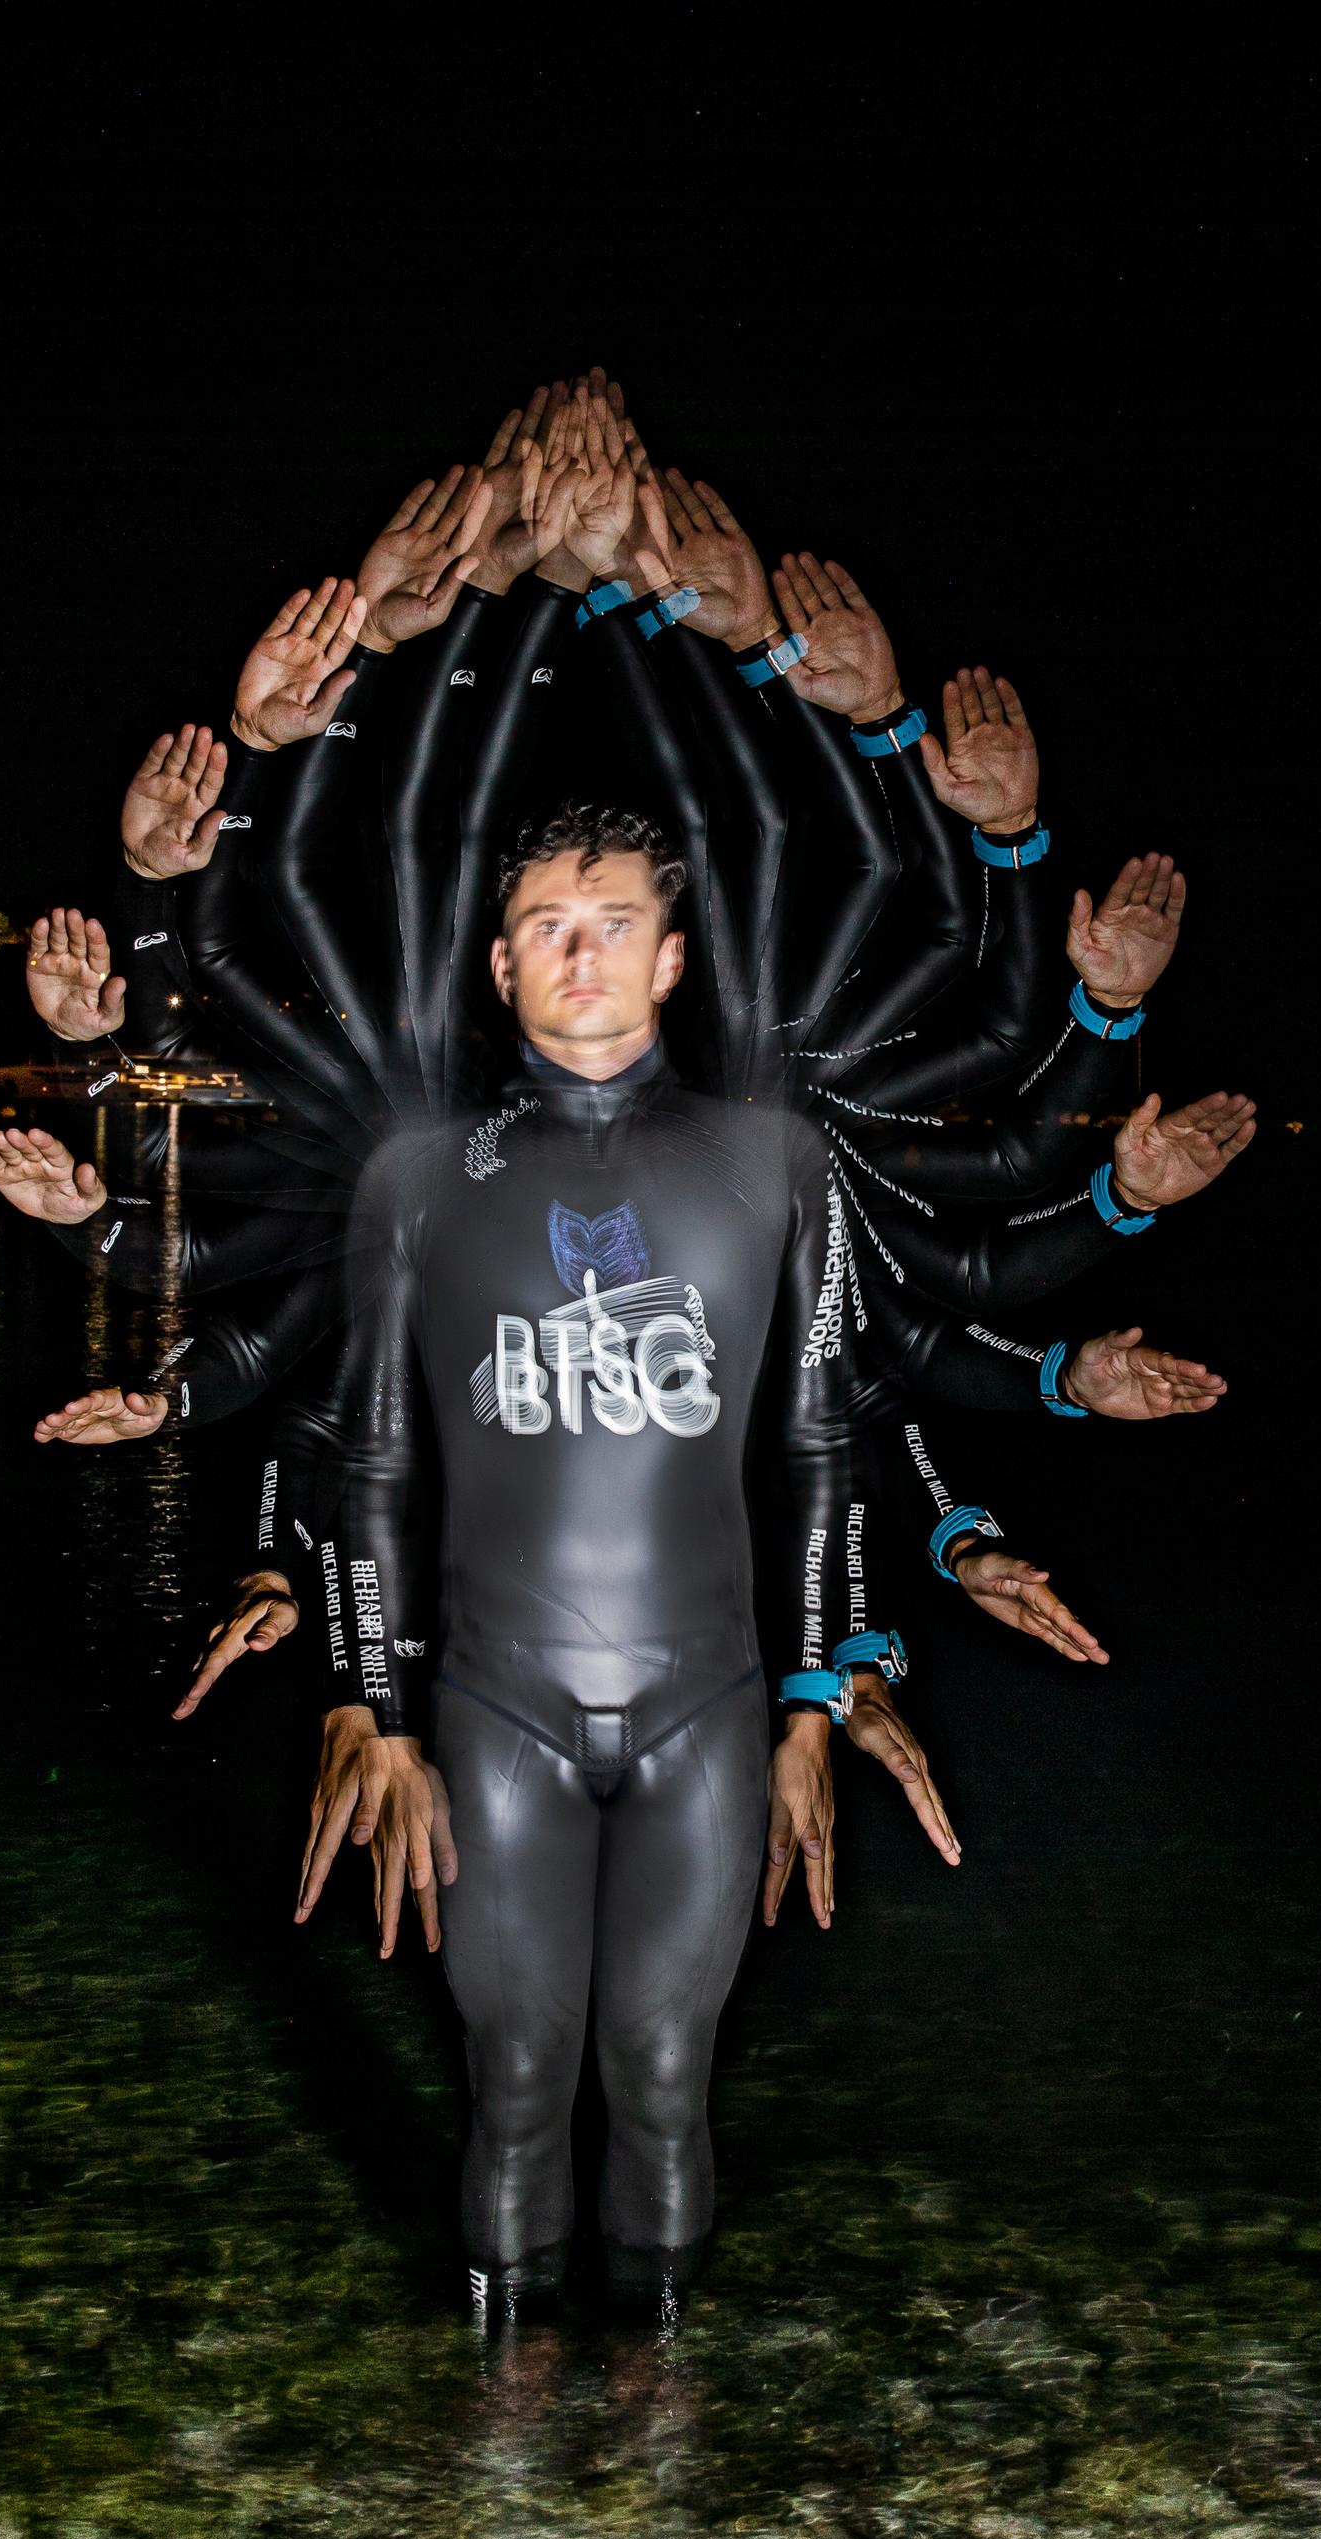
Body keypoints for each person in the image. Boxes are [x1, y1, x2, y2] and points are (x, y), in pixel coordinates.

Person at [292, 803, 946, 2326]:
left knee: (662, 2075)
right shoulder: (416, 1176)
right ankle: (508, 2419)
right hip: (490, 1701)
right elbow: (369, 1464)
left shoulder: (776, 1161)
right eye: (542, 928)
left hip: (708, 1703)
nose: (577, 950)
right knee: (514, 2078)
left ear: (668, 963)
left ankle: (660, 2420)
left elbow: (818, 1449)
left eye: (610, 925)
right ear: (499, 968)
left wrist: (808, 1700)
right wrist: (379, 1713)